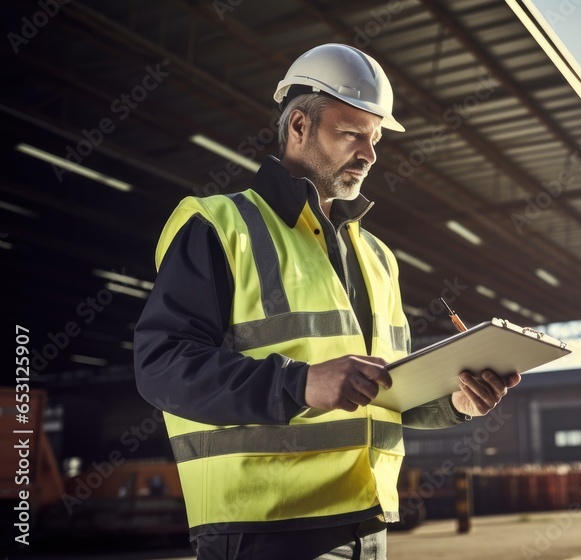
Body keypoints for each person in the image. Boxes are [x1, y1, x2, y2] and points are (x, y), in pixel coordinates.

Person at [133, 43, 520, 560]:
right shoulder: (218, 225)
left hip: (367, 524)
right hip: (262, 528)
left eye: (375, 138)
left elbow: (386, 393)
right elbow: (161, 367)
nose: (370, 154)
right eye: (352, 134)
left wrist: (455, 402)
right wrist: (300, 383)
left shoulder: (377, 256)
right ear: (299, 126)